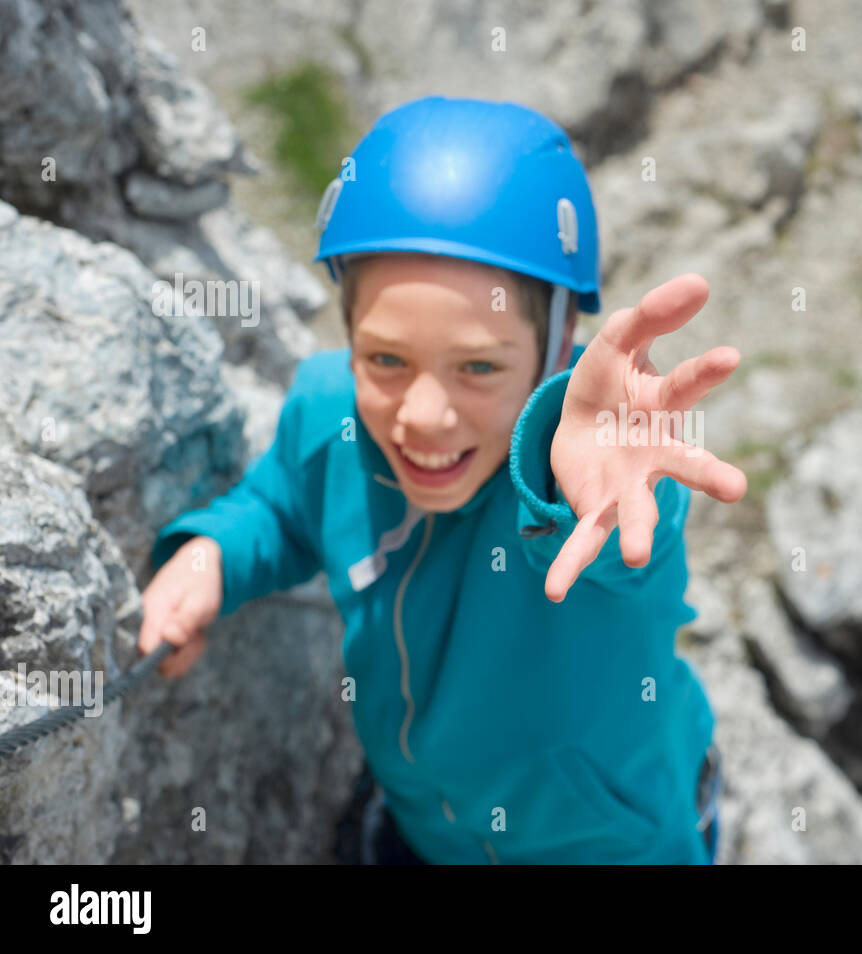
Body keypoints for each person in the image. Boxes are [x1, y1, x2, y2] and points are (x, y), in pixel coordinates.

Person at [137, 96, 745, 864]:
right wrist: (211, 555)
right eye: (386, 359)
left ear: (561, 342)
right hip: (427, 825)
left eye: (479, 367)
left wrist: (591, 477)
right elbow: (283, 507)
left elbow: (624, 545)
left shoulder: (584, 492)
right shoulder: (331, 415)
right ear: (349, 334)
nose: (423, 416)